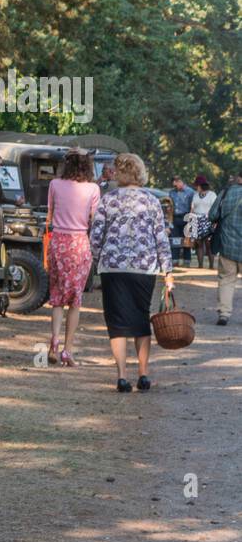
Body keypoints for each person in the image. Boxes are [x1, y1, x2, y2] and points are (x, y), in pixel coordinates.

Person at [89, 153, 173, 392]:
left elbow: (96, 237)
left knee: (116, 321)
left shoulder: (108, 200)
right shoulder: (152, 201)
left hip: (113, 267)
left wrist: (96, 260)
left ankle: (122, 377)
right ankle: (144, 374)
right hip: (143, 267)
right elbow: (160, 238)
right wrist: (168, 271)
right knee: (140, 318)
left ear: (119, 173)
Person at [45, 148, 100, 365]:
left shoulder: (54, 185)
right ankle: (68, 349)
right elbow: (94, 219)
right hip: (79, 244)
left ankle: (54, 342)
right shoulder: (93, 189)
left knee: (57, 297)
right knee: (75, 300)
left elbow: (50, 215)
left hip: (58, 241)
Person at [208, 167, 242, 325]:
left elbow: (212, 215)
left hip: (228, 246)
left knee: (226, 280)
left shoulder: (227, 192)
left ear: (239, 178)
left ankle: (224, 314)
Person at [186, 175, 217, 269]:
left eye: (197, 185)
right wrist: (190, 222)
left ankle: (211, 265)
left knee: (208, 244)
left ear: (201, 185)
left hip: (208, 220)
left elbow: (216, 208)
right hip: (197, 220)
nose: (196, 187)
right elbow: (192, 209)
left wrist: (215, 222)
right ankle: (200, 265)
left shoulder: (212, 195)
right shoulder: (195, 195)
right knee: (198, 243)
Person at [168, 176, 194, 266]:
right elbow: (170, 206)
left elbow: (192, 206)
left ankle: (187, 260)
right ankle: (175, 260)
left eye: (176, 184)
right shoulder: (171, 192)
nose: (175, 186)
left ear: (181, 182)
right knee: (175, 239)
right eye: (174, 185)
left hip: (186, 217)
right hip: (175, 217)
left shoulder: (190, 192)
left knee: (186, 239)